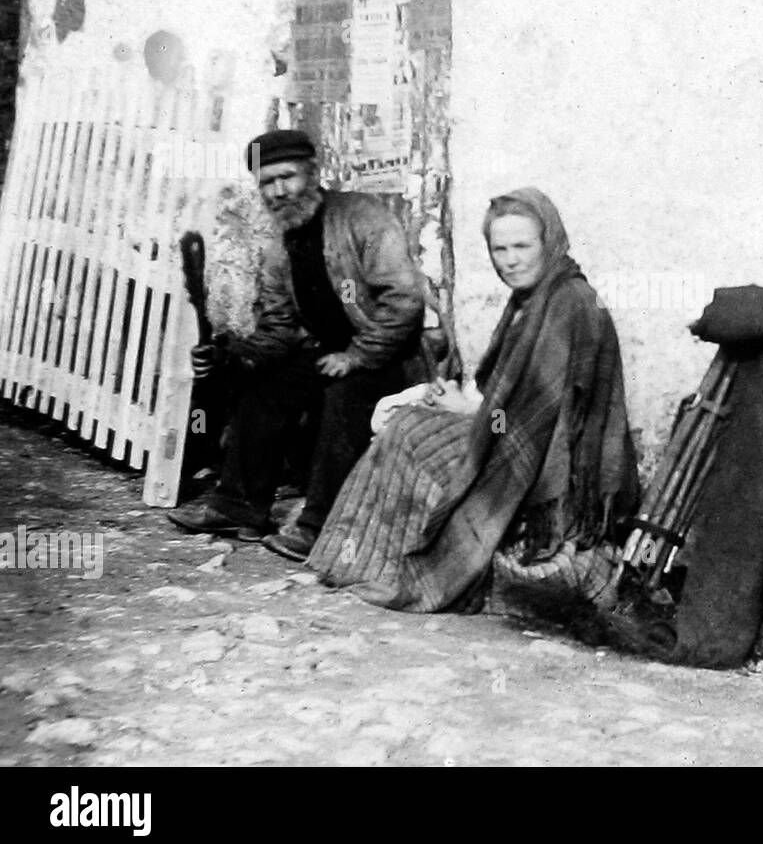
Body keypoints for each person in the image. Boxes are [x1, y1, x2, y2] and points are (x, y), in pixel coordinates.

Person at [305, 187, 639, 612]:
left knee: (410, 434)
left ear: (549, 242)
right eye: (499, 248)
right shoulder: (531, 300)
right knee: (409, 420)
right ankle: (361, 560)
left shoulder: (568, 304)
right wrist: (470, 410)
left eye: (522, 246)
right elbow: (515, 408)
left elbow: (541, 425)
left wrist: (470, 412)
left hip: (553, 468)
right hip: (518, 439)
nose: (510, 259)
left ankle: (401, 568)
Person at [166, 129, 425, 562]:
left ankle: (318, 528)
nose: (278, 191)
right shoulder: (279, 244)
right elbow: (281, 329)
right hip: (328, 354)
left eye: (287, 177)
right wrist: (235, 354)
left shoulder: (362, 216)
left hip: (392, 354)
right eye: (266, 183)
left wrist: (359, 355)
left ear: (314, 173)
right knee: (266, 386)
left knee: (346, 397)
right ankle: (239, 508)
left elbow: (403, 301)